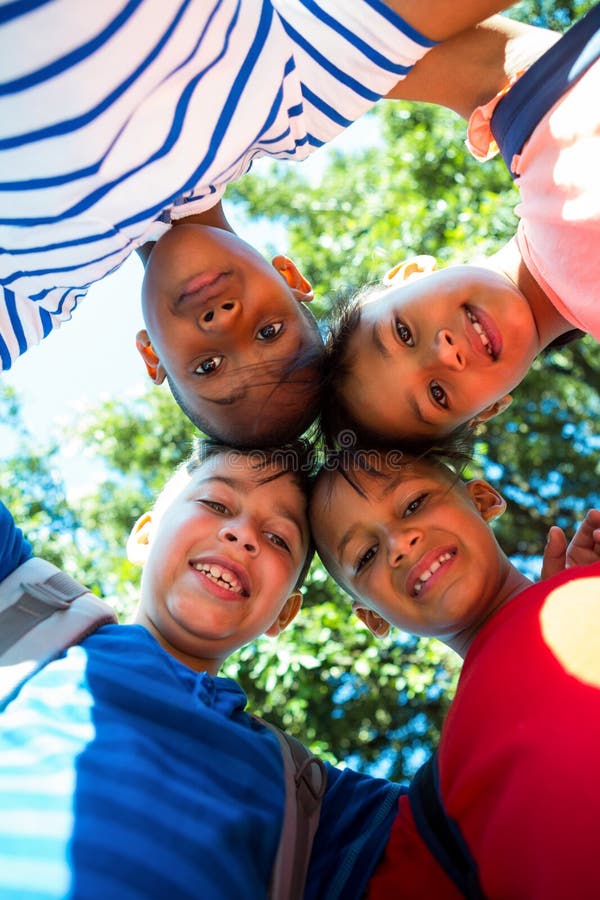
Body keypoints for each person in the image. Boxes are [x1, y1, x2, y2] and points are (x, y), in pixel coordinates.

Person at [0, 1, 540, 447]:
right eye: (268, 331)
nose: (223, 320)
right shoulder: (291, 100)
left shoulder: (33, 290)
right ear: (290, 278)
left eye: (208, 366)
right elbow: (494, 57)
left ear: (151, 354)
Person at [0, 440, 402, 900]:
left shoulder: (316, 804)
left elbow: (480, 835)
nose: (244, 535)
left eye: (278, 539)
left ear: (283, 615)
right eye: (215, 503)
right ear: (145, 535)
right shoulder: (23, 602)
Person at [309, 449, 600, 897]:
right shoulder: (433, 813)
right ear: (373, 618)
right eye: (366, 555)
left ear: (482, 500)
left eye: (413, 503)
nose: (399, 542)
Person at [321, 3, 599, 449]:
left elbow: (323, 41)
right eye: (436, 394)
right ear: (489, 410)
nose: (446, 353)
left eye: (403, 333)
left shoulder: (520, 104)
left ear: (408, 274)